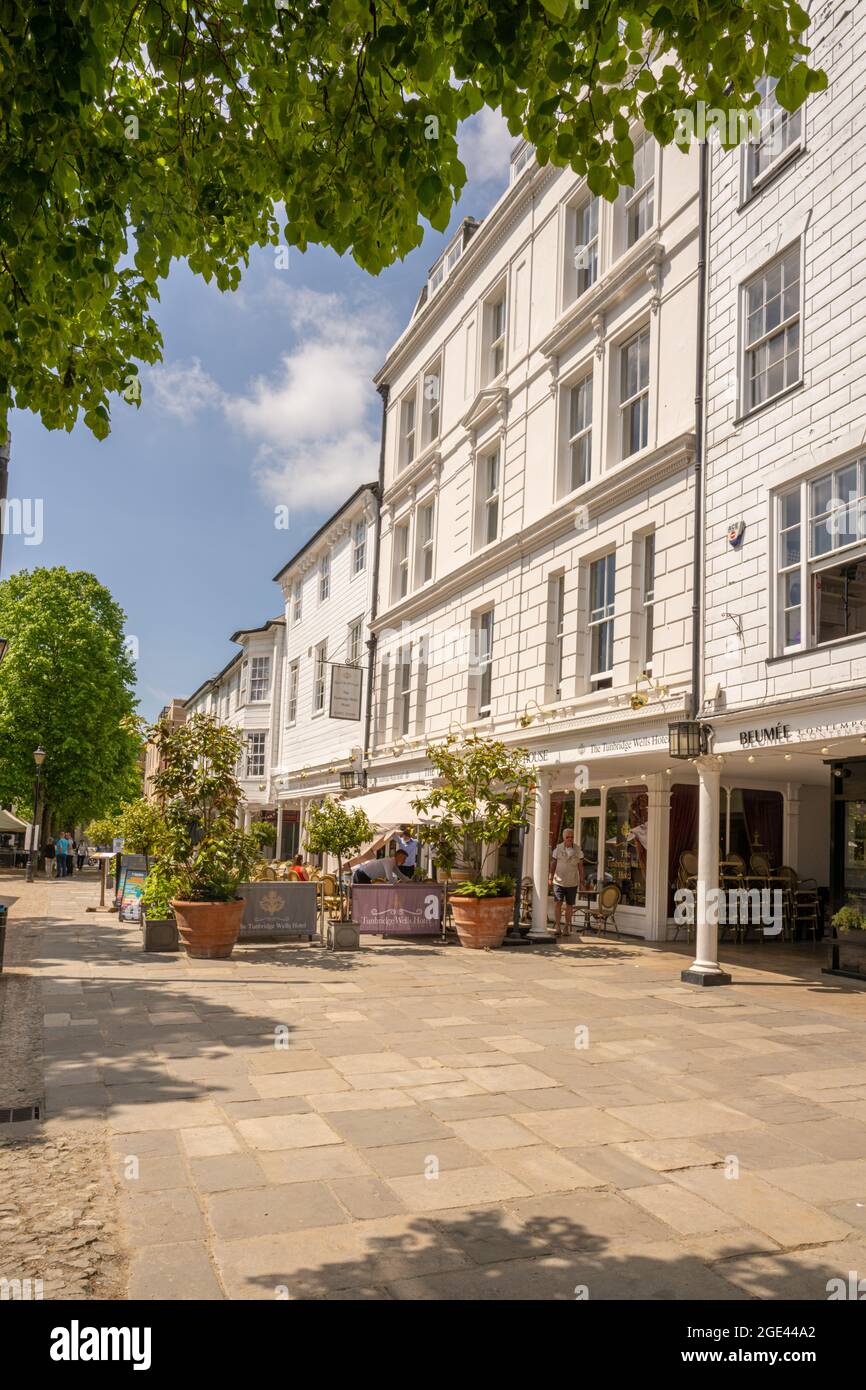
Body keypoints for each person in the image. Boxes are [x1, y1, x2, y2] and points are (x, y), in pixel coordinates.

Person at [550, 827, 585, 936]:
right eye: (567, 837)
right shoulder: (558, 848)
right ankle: (557, 926)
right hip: (558, 881)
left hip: (572, 882)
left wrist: (582, 881)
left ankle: (566, 927)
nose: (570, 839)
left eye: (571, 837)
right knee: (558, 903)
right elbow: (553, 863)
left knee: (570, 905)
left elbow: (581, 866)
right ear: (564, 838)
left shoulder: (578, 850)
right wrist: (550, 877)